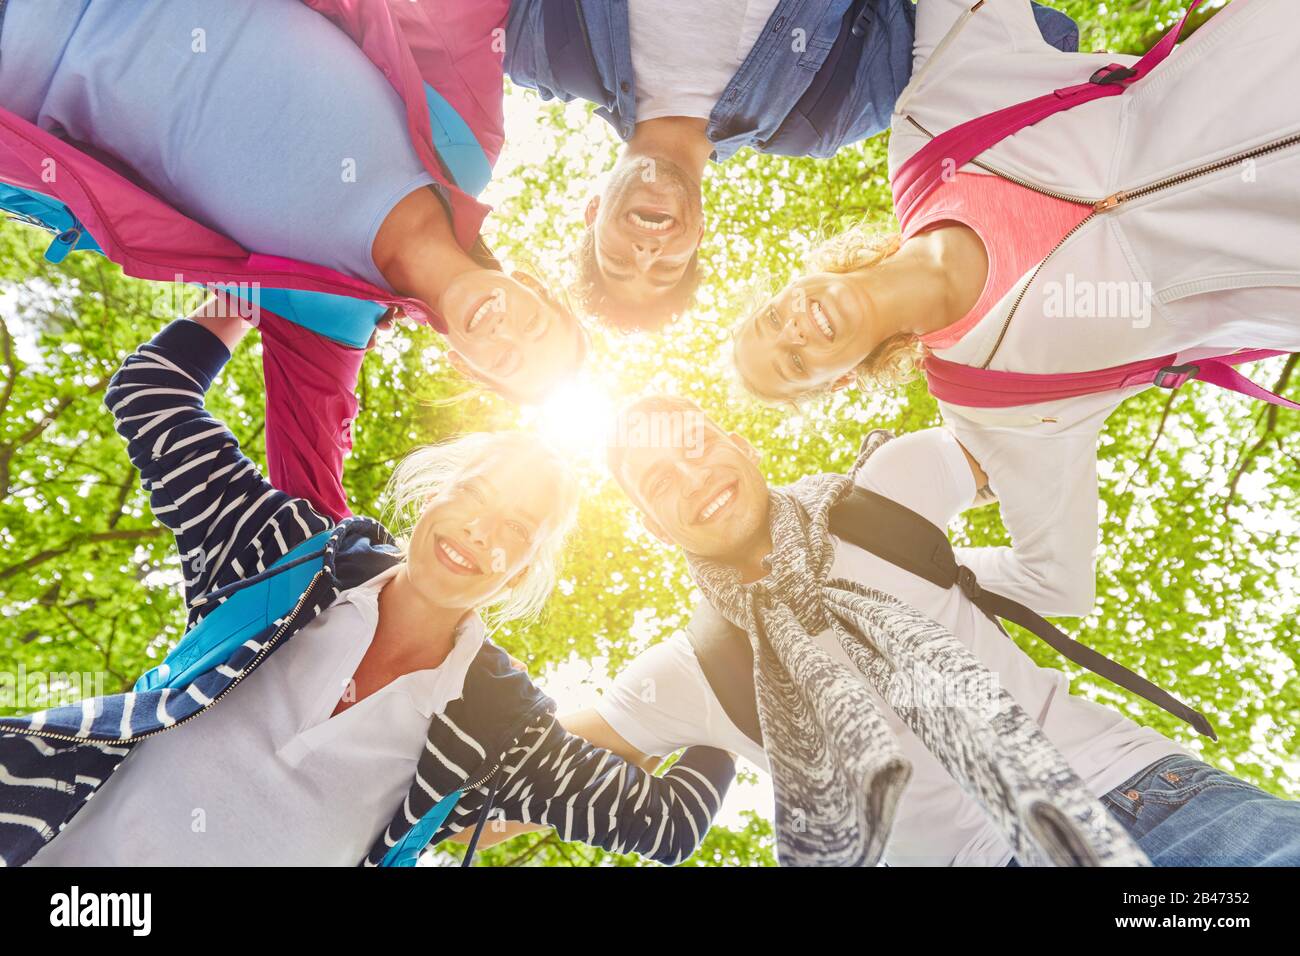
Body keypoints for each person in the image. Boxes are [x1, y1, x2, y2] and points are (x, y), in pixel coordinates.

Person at [0, 302, 733, 868]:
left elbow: (663, 822)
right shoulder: (286, 557)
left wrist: (743, 655)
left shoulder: (497, 727)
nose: (482, 529)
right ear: (433, 495)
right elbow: (152, 394)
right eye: (476, 493)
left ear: (521, 572)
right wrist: (263, 278)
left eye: (517, 528)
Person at [730, 0, 1298, 618]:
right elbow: (1055, 584)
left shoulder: (929, 130)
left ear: (795, 281)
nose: (796, 330)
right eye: (792, 362)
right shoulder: (997, 401)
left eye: (772, 320)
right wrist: (866, 560)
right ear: (836, 381)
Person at [567, 396, 1300, 866]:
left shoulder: (887, 493)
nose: (692, 477)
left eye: (694, 445)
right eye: (659, 481)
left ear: (739, 443)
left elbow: (1031, 422)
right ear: (654, 528)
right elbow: (510, 778)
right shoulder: (691, 672)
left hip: (1149, 807)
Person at [0, 0, 588, 521]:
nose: (505, 332)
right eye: (533, 326)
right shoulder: (461, 137)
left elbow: (314, 508)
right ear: (533, 285)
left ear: (468, 367)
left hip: (22, 73)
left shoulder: (326, 320)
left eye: (506, 361)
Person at [505, 0, 1081, 330]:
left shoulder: (545, 49)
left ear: (593, 211)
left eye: (619, 261)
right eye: (662, 271)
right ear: (700, 236)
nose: (647, 254)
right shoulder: (817, 119)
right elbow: (1023, 49)